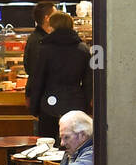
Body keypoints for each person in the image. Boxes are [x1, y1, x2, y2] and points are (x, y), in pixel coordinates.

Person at [27, 10, 92, 140]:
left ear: (53, 27)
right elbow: (89, 82)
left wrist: (34, 108)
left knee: (47, 146)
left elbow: (37, 80)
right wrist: (87, 107)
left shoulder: (44, 50)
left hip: (49, 105)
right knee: (75, 145)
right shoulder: (82, 49)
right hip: (75, 104)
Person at [23, 0, 57, 86]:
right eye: (55, 15)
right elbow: (36, 70)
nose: (57, 19)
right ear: (47, 18)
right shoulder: (38, 40)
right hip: (40, 91)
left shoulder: (43, 37)